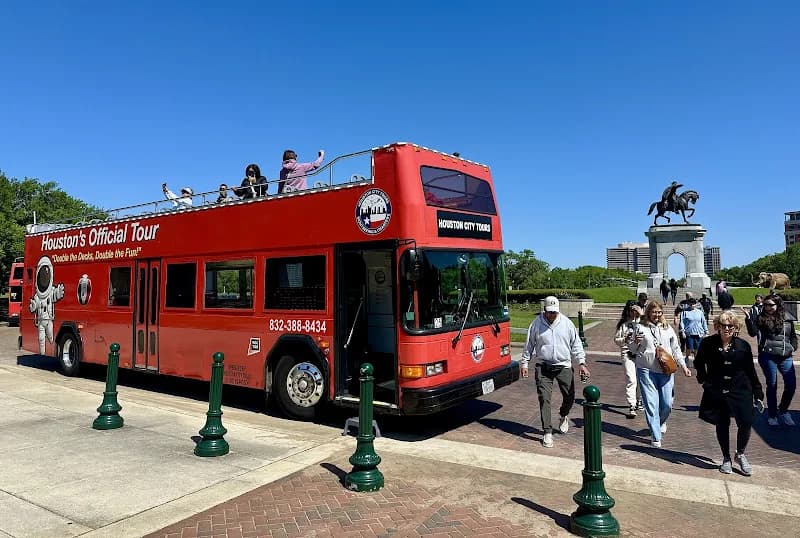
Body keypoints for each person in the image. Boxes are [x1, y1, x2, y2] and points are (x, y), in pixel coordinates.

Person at [695, 311, 764, 476]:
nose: (727, 329)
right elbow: (698, 362)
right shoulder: (708, 343)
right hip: (717, 389)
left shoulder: (743, 346)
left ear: (735, 327)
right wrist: (703, 380)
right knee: (722, 423)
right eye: (724, 325)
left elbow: (750, 370)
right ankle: (726, 458)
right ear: (718, 326)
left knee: (746, 421)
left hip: (740, 388)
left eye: (730, 326)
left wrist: (758, 392)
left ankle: (740, 454)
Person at [520, 296, 590, 448]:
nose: (552, 315)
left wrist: (581, 363)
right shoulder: (536, 324)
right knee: (544, 398)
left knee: (569, 396)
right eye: (549, 312)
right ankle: (547, 431)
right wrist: (525, 363)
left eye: (555, 312)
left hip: (563, 365)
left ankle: (563, 415)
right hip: (543, 366)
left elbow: (576, 344)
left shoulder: (567, 324)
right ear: (544, 310)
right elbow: (529, 344)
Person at [628, 300, 692, 447]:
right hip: (646, 369)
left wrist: (683, 365)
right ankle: (655, 435)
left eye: (659, 312)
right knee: (651, 403)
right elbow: (632, 349)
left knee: (667, 404)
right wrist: (635, 342)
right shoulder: (640, 327)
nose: (656, 315)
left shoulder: (667, 328)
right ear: (648, 313)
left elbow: (675, 348)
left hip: (666, 370)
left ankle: (661, 422)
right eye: (653, 312)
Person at [743, 294, 797, 427]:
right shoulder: (761, 318)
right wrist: (749, 319)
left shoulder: (787, 318)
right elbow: (753, 333)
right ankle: (772, 415)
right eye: (765, 305)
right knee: (772, 385)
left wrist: (793, 347)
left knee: (791, 385)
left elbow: (793, 336)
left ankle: (783, 410)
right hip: (768, 355)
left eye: (771, 305)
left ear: (778, 305)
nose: (768, 307)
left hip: (785, 355)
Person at [613, 300, 644, 417]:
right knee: (631, 379)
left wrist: (641, 315)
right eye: (631, 310)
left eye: (635, 310)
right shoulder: (623, 324)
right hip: (627, 353)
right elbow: (616, 339)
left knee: (641, 379)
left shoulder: (643, 323)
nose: (633, 312)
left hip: (640, 353)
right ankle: (632, 404)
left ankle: (639, 400)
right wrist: (624, 340)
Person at [678, 297, 708, 363]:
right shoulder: (684, 312)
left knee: (697, 348)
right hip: (689, 333)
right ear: (688, 304)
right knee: (689, 347)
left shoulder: (700, 312)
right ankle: (687, 358)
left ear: (695, 304)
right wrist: (682, 331)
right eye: (690, 304)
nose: (692, 305)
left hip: (699, 332)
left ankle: (696, 360)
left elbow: (703, 321)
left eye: (693, 304)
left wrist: (706, 331)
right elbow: (682, 322)